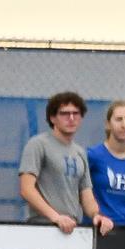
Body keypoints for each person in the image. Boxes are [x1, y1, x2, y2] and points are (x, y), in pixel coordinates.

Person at [18, 92, 113, 235]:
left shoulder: (80, 152)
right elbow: (26, 189)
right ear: (52, 118)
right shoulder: (37, 144)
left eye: (76, 113)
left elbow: (86, 194)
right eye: (64, 114)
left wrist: (97, 216)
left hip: (72, 229)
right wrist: (56, 217)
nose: (71, 118)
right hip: (42, 226)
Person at [87, 100, 125, 228]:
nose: (123, 124)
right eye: (118, 119)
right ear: (108, 124)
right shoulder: (92, 155)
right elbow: (79, 187)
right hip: (97, 227)